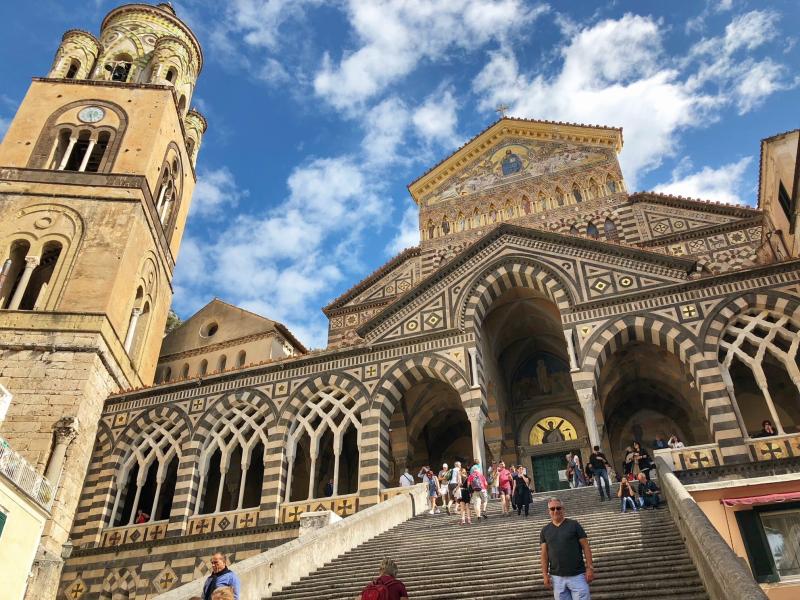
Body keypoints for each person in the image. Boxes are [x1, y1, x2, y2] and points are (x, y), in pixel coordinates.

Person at [540, 498, 594, 599]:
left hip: (577, 575)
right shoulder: (545, 530)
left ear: (563, 509)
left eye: (558, 508)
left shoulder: (574, 525)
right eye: (552, 509)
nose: (555, 511)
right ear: (549, 511)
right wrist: (544, 574)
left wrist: (590, 567)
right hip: (557, 578)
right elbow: (544, 554)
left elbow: (586, 546)